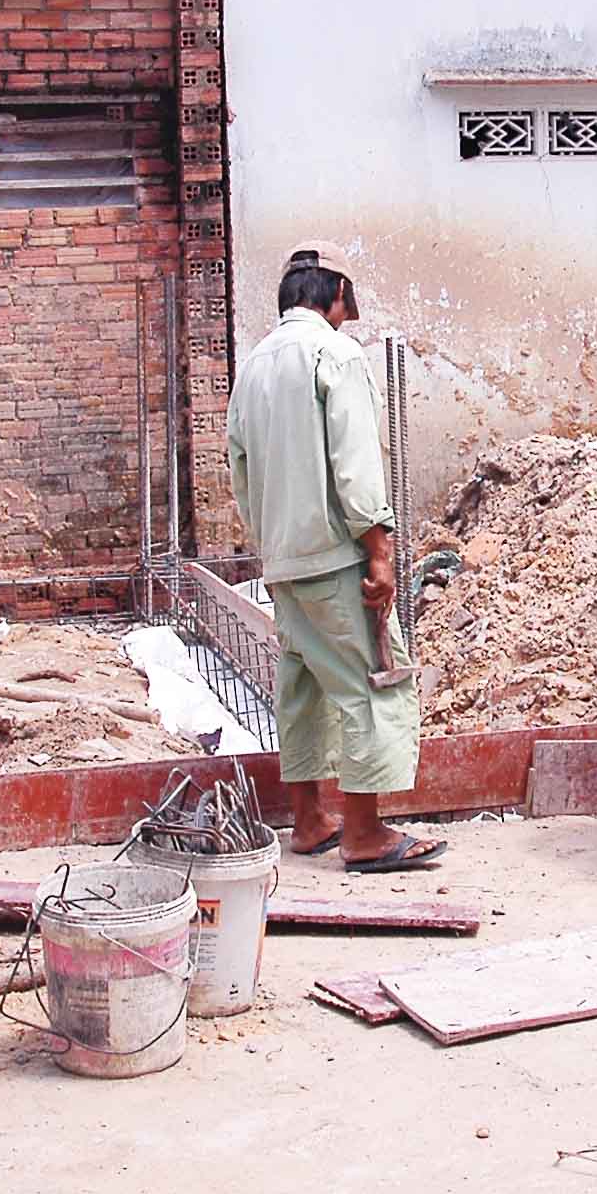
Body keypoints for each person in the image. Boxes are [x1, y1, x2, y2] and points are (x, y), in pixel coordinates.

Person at [223, 243, 442, 873]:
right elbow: (356, 464)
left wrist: (271, 541)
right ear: (337, 294)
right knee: (373, 682)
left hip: (284, 559)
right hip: (334, 556)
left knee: (301, 688)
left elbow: (239, 469)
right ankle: (364, 835)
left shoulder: (254, 365)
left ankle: (310, 820)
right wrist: (379, 550)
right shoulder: (336, 355)